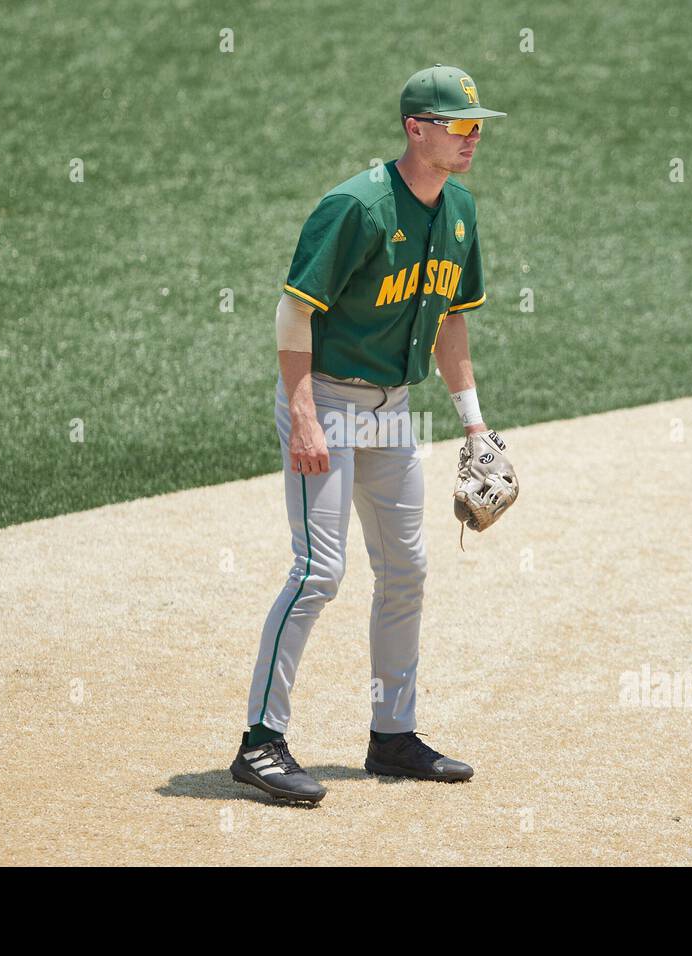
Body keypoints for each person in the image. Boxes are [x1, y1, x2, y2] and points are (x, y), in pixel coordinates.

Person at [230, 65, 507, 803]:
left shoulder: (460, 212)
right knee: (319, 571)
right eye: (458, 125)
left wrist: (474, 425)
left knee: (407, 570)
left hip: (392, 411)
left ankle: (393, 735)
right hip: (324, 400)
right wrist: (303, 414)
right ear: (416, 128)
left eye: (477, 125)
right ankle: (260, 742)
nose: (471, 136)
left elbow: (452, 319)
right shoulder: (355, 207)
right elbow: (294, 314)